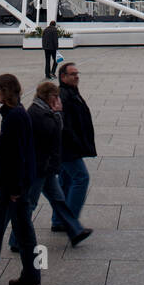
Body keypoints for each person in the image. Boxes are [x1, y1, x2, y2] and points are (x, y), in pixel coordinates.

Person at [9, 81, 92, 251]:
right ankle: (16, 240)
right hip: (39, 169)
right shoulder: (37, 113)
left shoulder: (43, 110)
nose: (58, 99)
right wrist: (58, 113)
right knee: (30, 205)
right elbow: (53, 135)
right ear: (48, 96)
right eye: (55, 96)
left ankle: (75, 231)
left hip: (45, 168)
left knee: (58, 200)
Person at [0, 74, 40, 285]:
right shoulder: (14, 114)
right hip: (13, 182)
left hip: (13, 185)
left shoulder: (15, 116)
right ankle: (30, 275)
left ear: (5, 92)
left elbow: (18, 155)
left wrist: (15, 189)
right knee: (20, 232)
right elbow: (5, 147)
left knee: (4, 231)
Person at [52, 62, 96, 231]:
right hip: (68, 148)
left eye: (77, 73)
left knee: (65, 181)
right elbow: (64, 125)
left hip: (67, 147)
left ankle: (58, 220)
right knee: (81, 178)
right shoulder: (63, 95)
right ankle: (70, 222)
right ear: (63, 77)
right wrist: (77, 144)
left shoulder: (70, 92)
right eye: (72, 74)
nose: (76, 76)